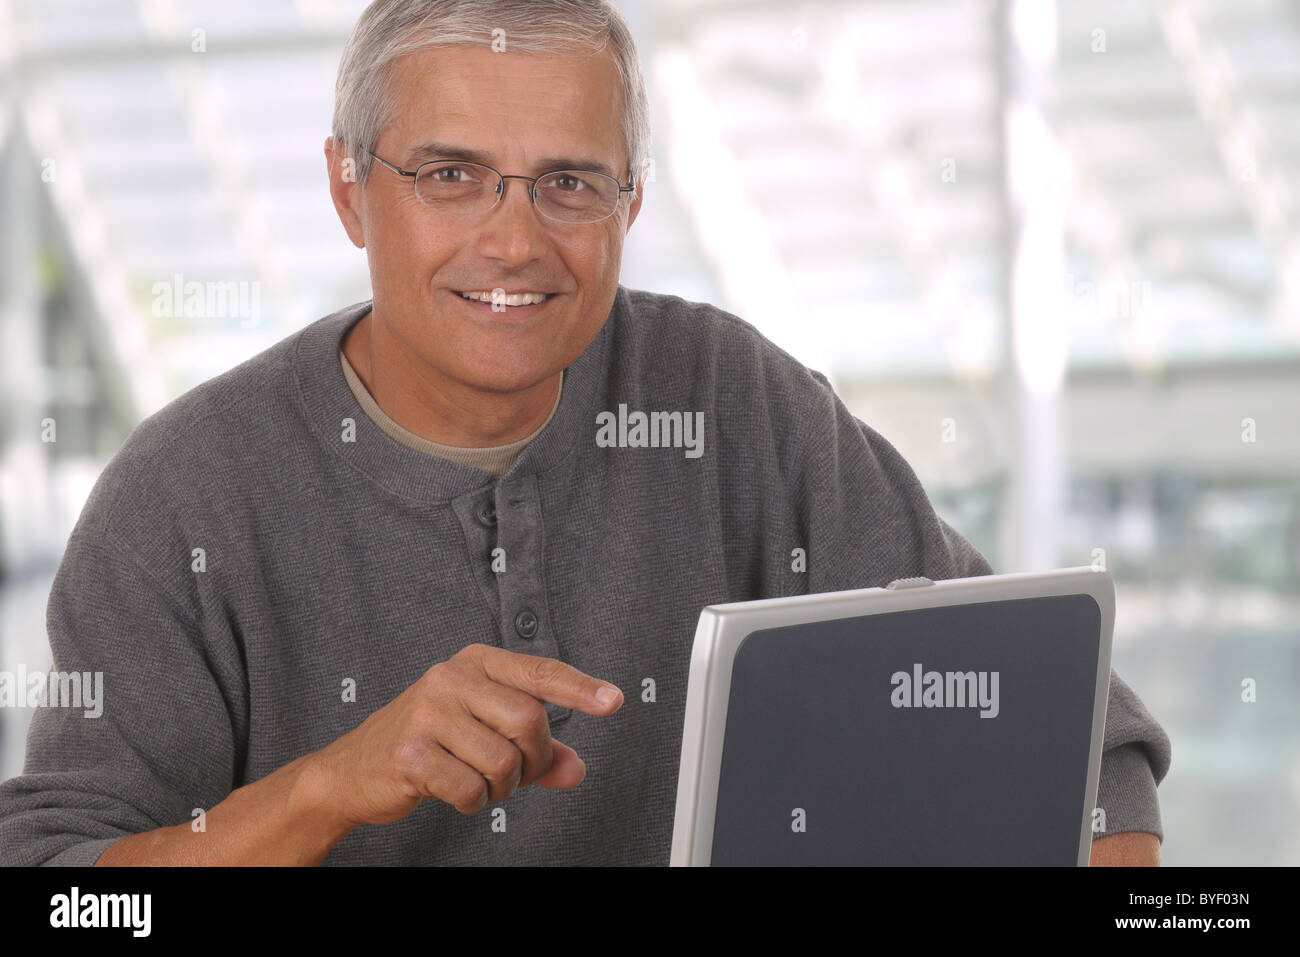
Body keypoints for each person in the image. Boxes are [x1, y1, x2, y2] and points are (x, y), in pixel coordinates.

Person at [0, 0, 1170, 866]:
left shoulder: (731, 399)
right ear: (350, 189)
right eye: (452, 175)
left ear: (629, 207)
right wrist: (328, 789)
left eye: (568, 184)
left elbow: (1063, 727)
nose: (515, 243)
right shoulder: (184, 495)